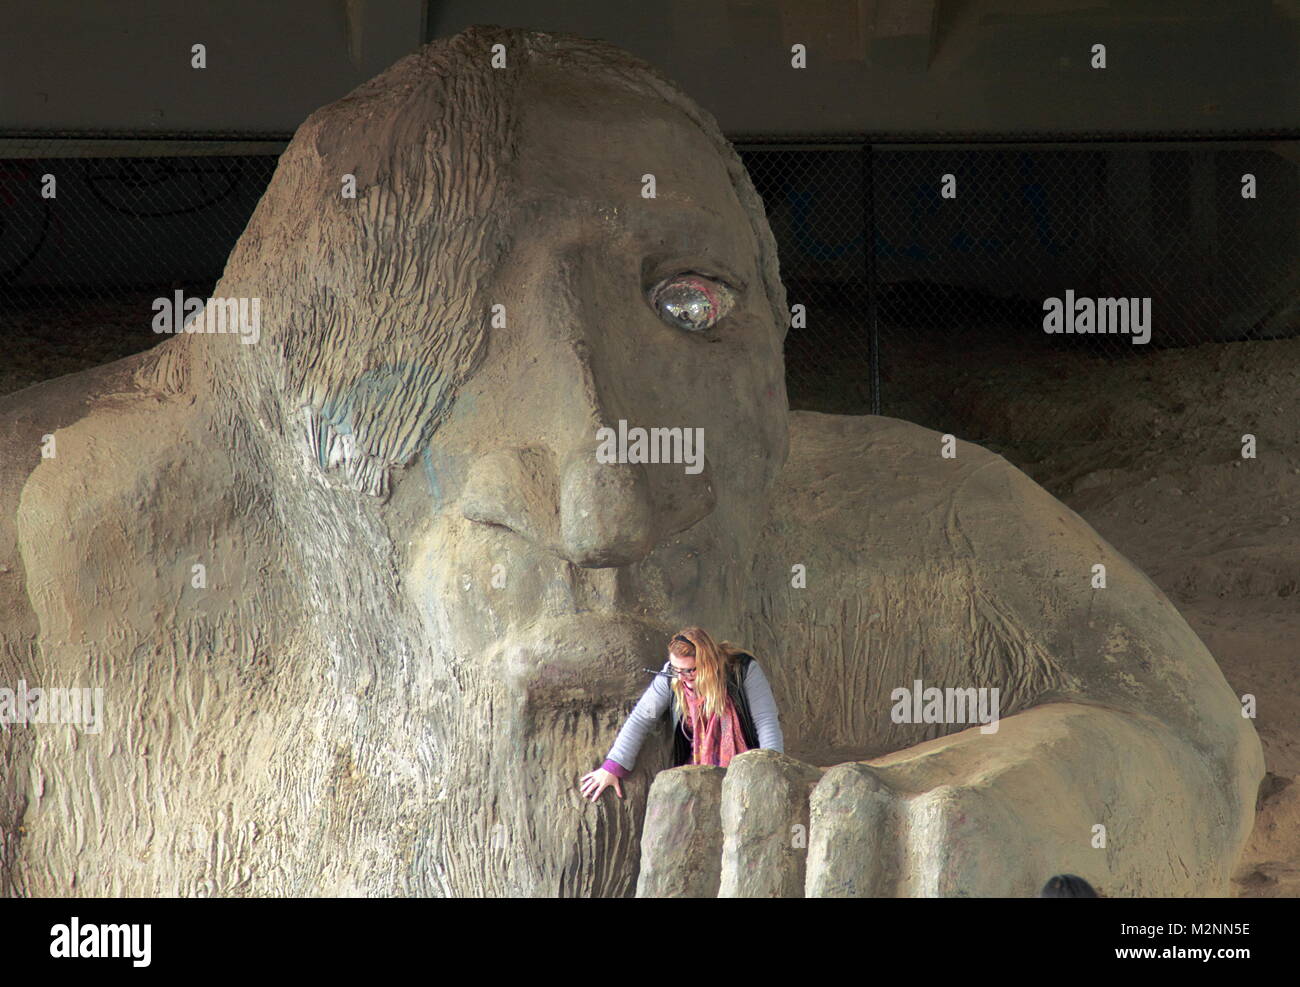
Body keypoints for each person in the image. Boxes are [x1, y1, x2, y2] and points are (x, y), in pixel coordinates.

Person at [579, 627, 783, 802]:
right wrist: (613, 766)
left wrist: (772, 769)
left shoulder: (743, 670)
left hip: (746, 767)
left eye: (690, 671)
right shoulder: (672, 677)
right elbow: (642, 717)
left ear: (708, 663)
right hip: (697, 768)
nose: (683, 678)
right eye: (676, 670)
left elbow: (765, 721)